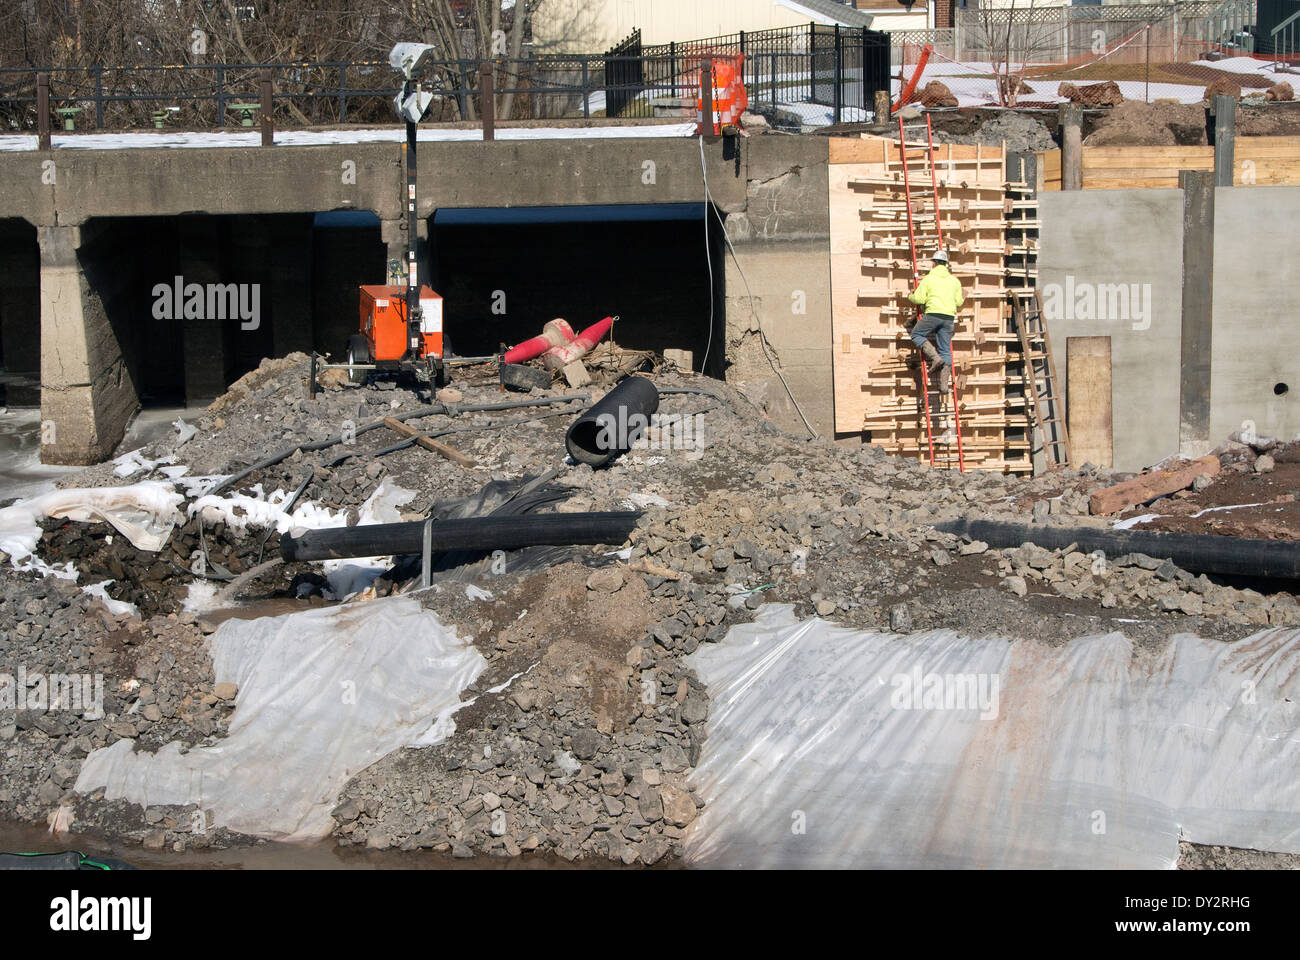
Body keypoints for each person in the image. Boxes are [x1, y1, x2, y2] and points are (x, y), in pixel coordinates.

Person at [907, 249, 963, 393]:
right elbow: (959, 302)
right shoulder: (954, 281)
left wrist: (910, 296)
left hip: (933, 315)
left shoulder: (929, 279)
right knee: (945, 350)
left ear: (934, 263)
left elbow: (919, 299)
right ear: (946, 264)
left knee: (917, 334)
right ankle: (944, 386)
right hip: (949, 318)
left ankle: (934, 358)